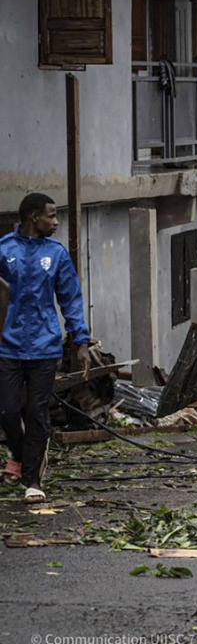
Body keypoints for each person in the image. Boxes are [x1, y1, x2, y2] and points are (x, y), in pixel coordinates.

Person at [0, 193, 91, 504]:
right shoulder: (4, 249)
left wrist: (80, 341)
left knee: (37, 413)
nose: (56, 222)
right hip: (7, 346)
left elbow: (71, 298)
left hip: (44, 346)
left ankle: (32, 481)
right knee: (7, 410)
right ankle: (20, 457)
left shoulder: (56, 253)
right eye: (51, 216)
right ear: (33, 217)